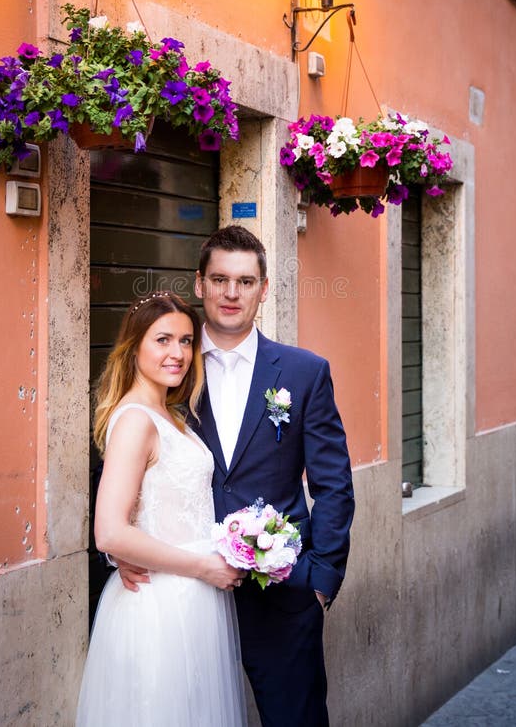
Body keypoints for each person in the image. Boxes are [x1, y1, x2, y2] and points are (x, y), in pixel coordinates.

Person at [119, 226, 355, 727]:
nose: (232, 293)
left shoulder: (303, 372)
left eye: (245, 282)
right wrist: (121, 551)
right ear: (200, 284)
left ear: (264, 289)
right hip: (185, 593)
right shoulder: (169, 365)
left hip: (283, 593)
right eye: (220, 279)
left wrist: (319, 579)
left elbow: (334, 483)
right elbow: (125, 464)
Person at [75, 292, 247, 727]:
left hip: (193, 599)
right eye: (163, 340)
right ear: (135, 347)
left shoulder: (171, 414)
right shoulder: (136, 420)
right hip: (158, 605)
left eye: (187, 342)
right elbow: (109, 533)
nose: (179, 353)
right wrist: (202, 568)